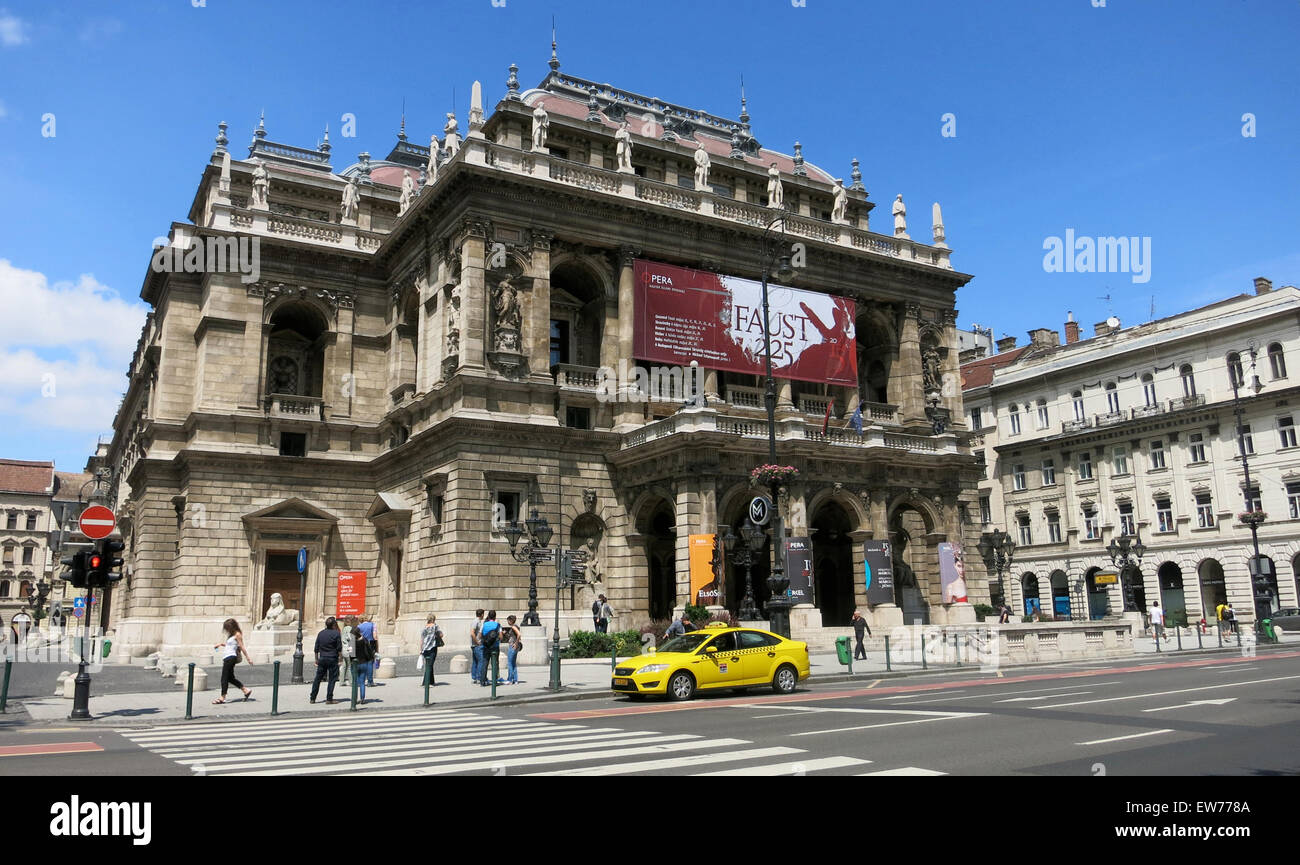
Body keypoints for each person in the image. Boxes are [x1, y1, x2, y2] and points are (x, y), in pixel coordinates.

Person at [212, 618, 253, 704]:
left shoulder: (238, 634)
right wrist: (220, 644)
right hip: (227, 657)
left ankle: (222, 697)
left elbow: (242, 647)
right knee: (230, 678)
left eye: (227, 628)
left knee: (224, 677)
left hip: (231, 657)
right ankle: (245, 690)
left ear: (232, 627)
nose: (227, 630)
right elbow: (230, 645)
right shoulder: (231, 635)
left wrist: (248, 658)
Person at [309, 616, 343, 704]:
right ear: (333, 625)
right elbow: (339, 648)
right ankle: (329, 698)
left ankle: (313, 698)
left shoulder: (321, 633)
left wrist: (316, 659)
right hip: (332, 658)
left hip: (322, 658)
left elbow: (316, 648)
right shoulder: (336, 633)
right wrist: (340, 658)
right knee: (332, 679)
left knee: (318, 679)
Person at [352, 622, 376, 703]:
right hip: (364, 662)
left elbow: (350, 654)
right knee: (362, 682)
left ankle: (354, 699)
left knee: (355, 683)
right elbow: (369, 650)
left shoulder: (352, 641)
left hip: (355, 663)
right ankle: (362, 699)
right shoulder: (364, 640)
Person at [480, 610, 502, 686]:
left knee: (484, 663)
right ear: (495, 617)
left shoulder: (484, 624)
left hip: (485, 646)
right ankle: (494, 681)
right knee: (495, 664)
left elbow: (480, 635)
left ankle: (482, 681)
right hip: (495, 647)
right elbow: (501, 636)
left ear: (488, 616)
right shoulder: (498, 625)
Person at [420, 614, 442, 684]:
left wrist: (421, 650)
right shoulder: (435, 627)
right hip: (432, 648)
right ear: (433, 619)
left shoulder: (424, 628)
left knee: (428, 664)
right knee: (430, 665)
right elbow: (441, 635)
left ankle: (431, 682)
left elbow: (422, 639)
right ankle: (426, 683)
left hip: (425, 649)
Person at [358, 614, 377, 686]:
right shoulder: (373, 625)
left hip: (362, 644)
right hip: (370, 644)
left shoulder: (359, 626)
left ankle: (360, 681)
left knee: (362, 662)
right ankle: (370, 681)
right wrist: (376, 647)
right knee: (370, 662)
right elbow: (375, 636)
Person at [503, 615, 522, 685]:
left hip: (512, 647)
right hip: (515, 647)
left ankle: (510, 679)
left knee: (510, 663)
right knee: (513, 663)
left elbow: (519, 635)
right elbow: (513, 636)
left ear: (511, 621)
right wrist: (506, 634)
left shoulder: (514, 627)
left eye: (508, 620)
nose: (507, 622)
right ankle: (515, 679)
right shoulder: (516, 626)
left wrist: (516, 643)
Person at [470, 608, 485, 685]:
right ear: (482, 614)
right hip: (476, 645)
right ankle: (478, 677)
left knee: (475, 661)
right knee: (481, 660)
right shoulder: (476, 621)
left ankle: (474, 677)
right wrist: (477, 642)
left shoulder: (477, 621)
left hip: (474, 645)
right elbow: (472, 633)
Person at [340, 615, 355, 686]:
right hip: (348, 649)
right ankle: (351, 682)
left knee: (344, 666)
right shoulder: (350, 628)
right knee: (349, 666)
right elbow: (350, 639)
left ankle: (341, 681)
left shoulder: (344, 628)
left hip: (344, 649)